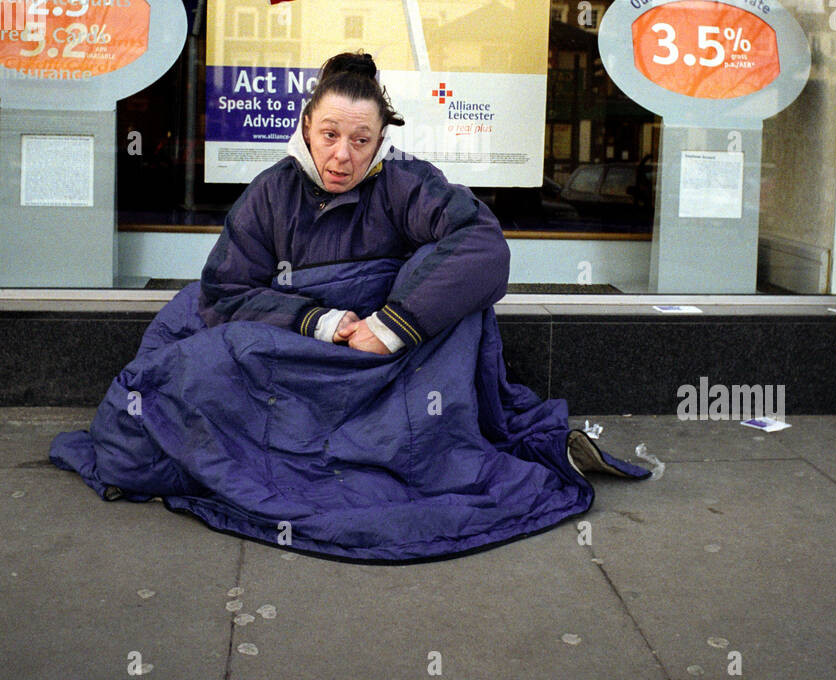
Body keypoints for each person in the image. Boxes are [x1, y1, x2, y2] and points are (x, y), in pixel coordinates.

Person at [51, 52, 650, 562]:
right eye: (330, 134)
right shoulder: (271, 192)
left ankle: (389, 449)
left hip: (386, 361)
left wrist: (396, 324)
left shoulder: (405, 183)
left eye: (361, 140)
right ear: (306, 126)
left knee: (456, 300)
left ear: (380, 140)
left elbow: (480, 245)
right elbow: (226, 292)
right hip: (295, 348)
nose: (342, 155)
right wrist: (317, 320)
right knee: (165, 398)